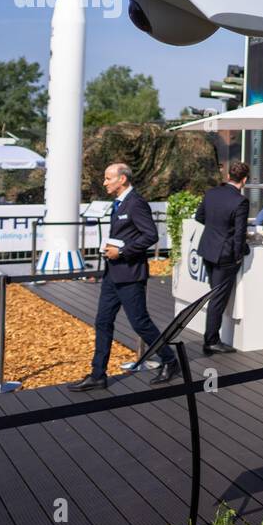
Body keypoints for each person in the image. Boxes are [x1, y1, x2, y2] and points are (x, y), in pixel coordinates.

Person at [69, 163, 178, 390]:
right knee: (102, 321)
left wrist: (123, 250)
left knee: (140, 323)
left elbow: (151, 235)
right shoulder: (118, 204)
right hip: (112, 274)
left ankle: (170, 360)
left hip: (129, 274)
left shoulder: (136, 203)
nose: (105, 182)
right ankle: (98, 374)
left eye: (109, 178)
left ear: (123, 180)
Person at [193, 161, 251, 355]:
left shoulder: (211, 193)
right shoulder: (240, 201)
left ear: (228, 177)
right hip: (224, 256)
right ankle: (211, 340)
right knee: (218, 299)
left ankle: (211, 337)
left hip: (208, 250)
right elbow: (240, 234)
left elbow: (199, 217)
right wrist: (238, 257)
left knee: (214, 295)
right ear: (244, 180)